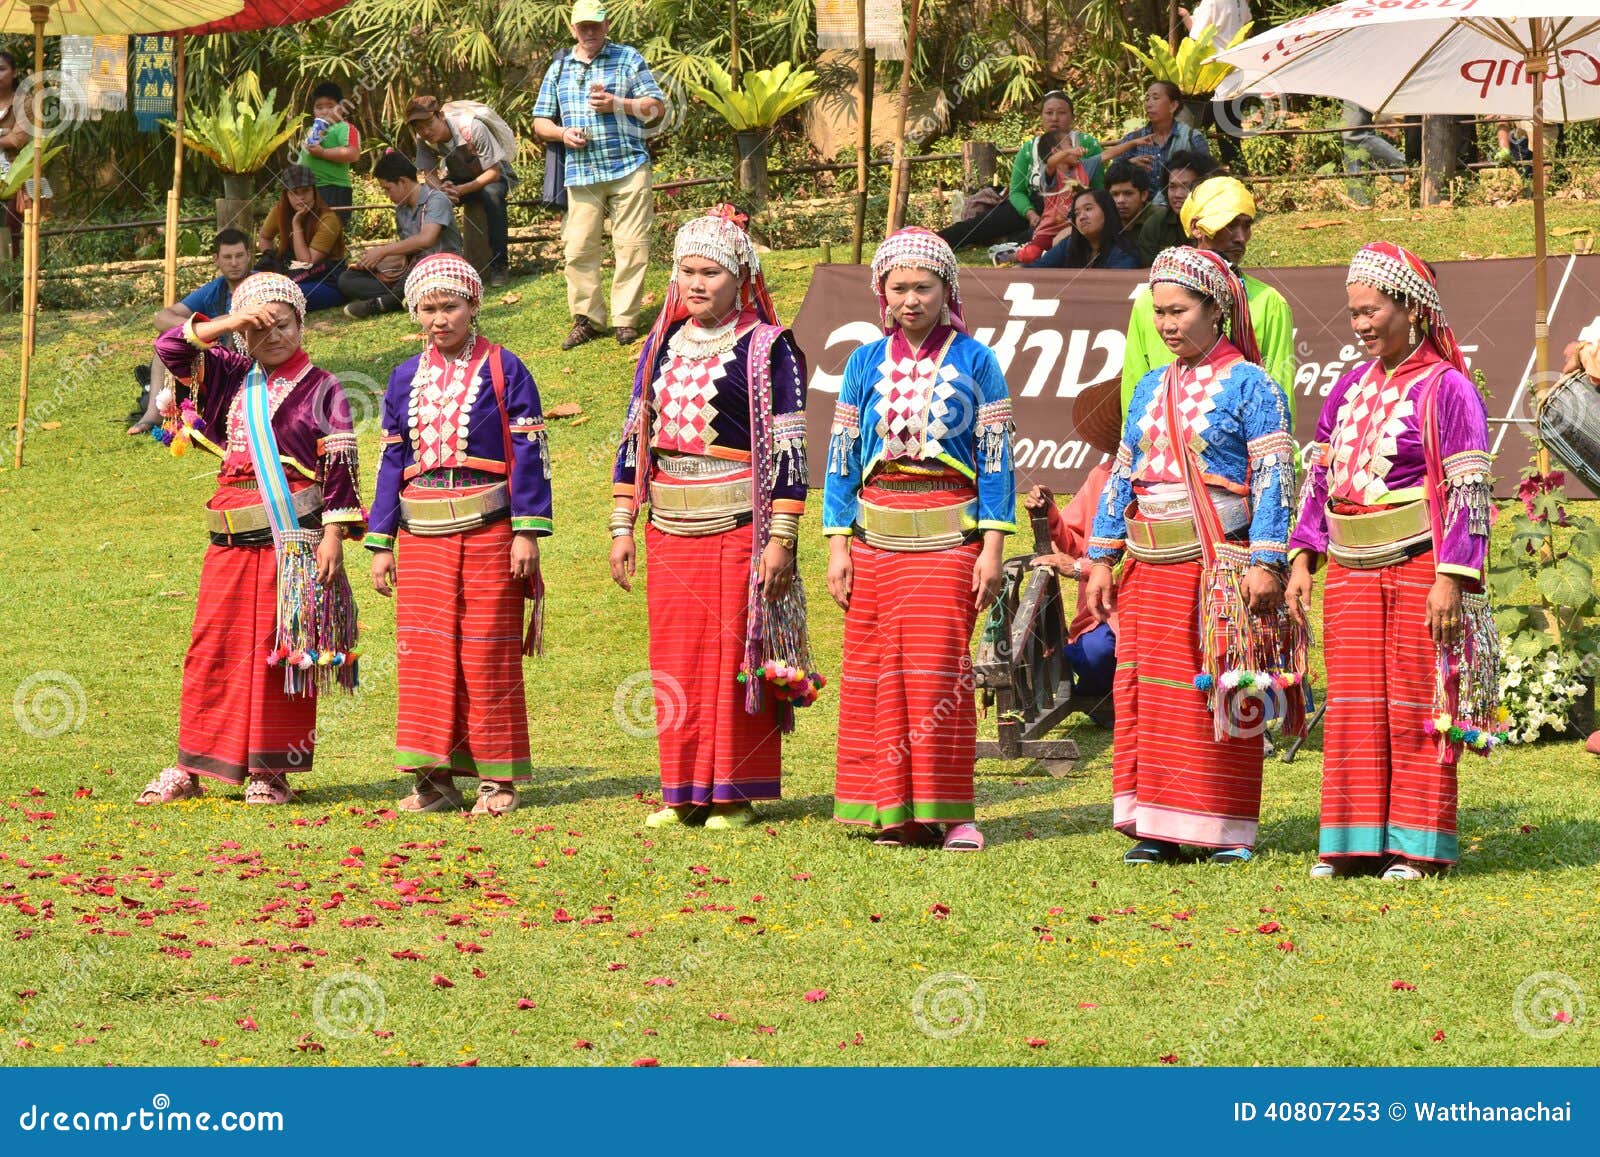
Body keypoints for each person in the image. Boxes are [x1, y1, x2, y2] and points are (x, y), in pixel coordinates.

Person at [1085, 246, 1304, 865]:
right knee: (1148, 693)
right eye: (1159, 313)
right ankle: (1153, 824)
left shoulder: (1252, 385)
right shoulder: (1151, 386)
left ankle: (1221, 828)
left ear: (1217, 309)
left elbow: (1273, 476)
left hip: (1216, 568)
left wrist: (1267, 560)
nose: (1167, 324)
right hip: (1149, 566)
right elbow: (1123, 473)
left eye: (1179, 311)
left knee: (1214, 691)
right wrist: (1101, 555)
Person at [1286, 243, 1497, 881]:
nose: (1359, 324)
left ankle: (1416, 847)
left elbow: (1468, 493)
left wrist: (1450, 578)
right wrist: (1303, 554)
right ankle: (1352, 845)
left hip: (1417, 565)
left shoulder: (1450, 389)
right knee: (1353, 703)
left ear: (1411, 307)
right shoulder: (1349, 387)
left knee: (1414, 701)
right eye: (1353, 313)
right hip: (1350, 567)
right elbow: (1320, 475)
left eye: (1371, 310)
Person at [608, 206, 810, 829]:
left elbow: (790, 446)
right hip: (669, 523)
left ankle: (735, 791)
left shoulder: (770, 349)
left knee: (731, 654)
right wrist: (622, 525)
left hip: (739, 525)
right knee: (675, 657)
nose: (696, 284)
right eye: (687, 271)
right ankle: (681, 791)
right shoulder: (661, 344)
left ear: (743, 278)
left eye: (711, 273)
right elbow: (635, 438)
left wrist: (781, 537)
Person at [137, 273, 364, 806]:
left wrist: (334, 534)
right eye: (261, 329)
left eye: (283, 324)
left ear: (300, 324)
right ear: (242, 337)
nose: (274, 336)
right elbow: (169, 345)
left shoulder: (324, 387)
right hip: (227, 538)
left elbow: (341, 466)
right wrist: (234, 321)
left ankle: (270, 771)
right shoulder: (229, 375)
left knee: (277, 651)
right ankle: (192, 763)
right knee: (210, 649)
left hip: (289, 539)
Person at [823, 228, 1016, 851]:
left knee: (938, 677)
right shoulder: (862, 362)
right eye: (899, 288)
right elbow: (841, 459)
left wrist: (991, 549)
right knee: (879, 675)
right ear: (882, 292)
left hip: (947, 541)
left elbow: (996, 463)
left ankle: (951, 811)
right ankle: (891, 813)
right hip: (876, 542)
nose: (911, 300)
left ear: (947, 290)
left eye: (924, 287)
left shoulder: (976, 361)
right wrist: (837, 545)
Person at [366, 255, 553, 815]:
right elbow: (390, 461)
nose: (439, 318)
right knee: (425, 653)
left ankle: (497, 781)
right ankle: (435, 779)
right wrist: (380, 541)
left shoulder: (506, 368)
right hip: (422, 534)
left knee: (487, 650)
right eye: (428, 309)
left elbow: (530, 454)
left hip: (489, 528)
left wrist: (526, 532)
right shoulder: (403, 377)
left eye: (450, 306)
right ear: (415, 312)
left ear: (474, 305)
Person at [532, 0, 668, 349]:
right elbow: (540, 121)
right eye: (583, 26)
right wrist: (562, 134)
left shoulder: (627, 58)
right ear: (573, 28)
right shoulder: (559, 68)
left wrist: (619, 104)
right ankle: (588, 320)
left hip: (629, 166)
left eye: (595, 25)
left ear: (607, 26)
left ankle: (626, 319)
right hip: (582, 173)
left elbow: (656, 108)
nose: (589, 31)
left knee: (632, 246)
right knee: (578, 249)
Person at [1119, 175, 1296, 418]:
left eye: (1246, 225)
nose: (1241, 238)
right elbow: (1134, 392)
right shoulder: (1149, 302)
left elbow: (1277, 401)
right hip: (1164, 446)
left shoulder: (1268, 302)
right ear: (1196, 227)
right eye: (1229, 225)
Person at [1021, 374, 1123, 706]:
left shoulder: (1183, 482)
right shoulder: (1103, 476)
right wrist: (1050, 512)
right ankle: (1103, 694)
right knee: (1095, 652)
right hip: (1107, 610)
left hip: (1153, 602)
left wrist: (1079, 567)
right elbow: (1075, 540)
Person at [937, 89, 1102, 251]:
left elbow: (1098, 188)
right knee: (979, 225)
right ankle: (932, 241)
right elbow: (1017, 191)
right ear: (1041, 118)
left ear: (1072, 117)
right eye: (1049, 113)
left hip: (1069, 207)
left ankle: (1007, 240)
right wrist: (1030, 213)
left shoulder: (1087, 144)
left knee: (1037, 237)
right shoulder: (1029, 148)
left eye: (1062, 113)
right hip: (1030, 204)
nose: (1055, 118)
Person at [127, 229, 254, 435]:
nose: (234, 263)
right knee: (167, 340)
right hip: (216, 363)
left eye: (239, 256)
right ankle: (153, 414)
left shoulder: (261, 284)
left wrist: (226, 323)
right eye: (227, 257)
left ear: (249, 256)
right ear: (216, 259)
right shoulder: (214, 290)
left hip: (253, 361)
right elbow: (161, 317)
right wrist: (201, 328)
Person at [406, 94, 518, 287]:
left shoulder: (472, 126)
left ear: (440, 116)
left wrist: (462, 190)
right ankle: (439, 264)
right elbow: (429, 173)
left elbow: (493, 172)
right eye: (419, 128)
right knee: (430, 199)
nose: (425, 131)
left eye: (428, 124)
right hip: (459, 177)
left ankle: (499, 266)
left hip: (492, 175)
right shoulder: (423, 139)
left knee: (492, 196)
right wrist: (441, 189)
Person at [338, 151, 461, 319]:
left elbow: (426, 239)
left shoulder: (436, 200)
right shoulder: (401, 210)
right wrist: (374, 262)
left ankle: (383, 303)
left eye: (387, 189)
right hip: (411, 271)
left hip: (440, 268)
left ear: (402, 181)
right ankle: (408, 296)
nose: (387, 195)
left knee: (418, 274)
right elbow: (407, 251)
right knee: (347, 279)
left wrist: (382, 251)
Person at [1100, 81, 1210, 207]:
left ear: (1173, 106)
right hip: (1141, 216)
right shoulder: (1133, 139)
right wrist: (1129, 165)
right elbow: (1111, 178)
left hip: (1183, 210)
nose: (1148, 104)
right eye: (1147, 99)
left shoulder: (1192, 137)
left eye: (1155, 98)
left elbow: (1208, 177)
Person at [254, 164, 346, 312]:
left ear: (314, 191)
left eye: (306, 191)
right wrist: (271, 259)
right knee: (249, 282)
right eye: (294, 193)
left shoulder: (328, 219)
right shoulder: (279, 211)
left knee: (285, 294)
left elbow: (307, 262)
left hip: (325, 280)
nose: (301, 197)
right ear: (287, 195)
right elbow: (264, 237)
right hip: (291, 274)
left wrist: (296, 225)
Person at [1026, 187, 1141, 270]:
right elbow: (1036, 269)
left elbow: (1111, 290)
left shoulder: (1124, 253)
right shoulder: (1069, 244)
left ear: (1107, 212)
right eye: (1077, 213)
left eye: (1088, 209)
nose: (1082, 217)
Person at [297, 82, 361, 227]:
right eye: (319, 107)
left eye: (330, 106)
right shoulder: (310, 130)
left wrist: (323, 153)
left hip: (333, 188)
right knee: (309, 231)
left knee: (330, 233)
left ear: (341, 108)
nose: (325, 111)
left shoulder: (344, 128)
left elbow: (353, 153)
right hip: (309, 190)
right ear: (313, 110)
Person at [1012, 131, 1076, 265]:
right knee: (1031, 255)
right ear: (1055, 151)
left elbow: (1104, 156)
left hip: (1070, 228)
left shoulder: (1082, 167)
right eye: (1070, 145)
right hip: (1048, 230)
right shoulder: (1048, 172)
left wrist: (1131, 143)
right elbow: (1051, 162)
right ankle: (1013, 254)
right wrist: (1031, 214)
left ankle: (1043, 252)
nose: (1074, 148)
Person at [1105, 160, 1172, 266]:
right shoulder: (1102, 219)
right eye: (1115, 194)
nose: (1120, 200)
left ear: (1144, 195)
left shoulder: (1163, 220)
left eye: (1128, 193)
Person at [1148, 149, 1216, 252]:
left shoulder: (1220, 223)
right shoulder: (1156, 225)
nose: (1177, 195)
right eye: (1172, 186)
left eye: (1188, 187)